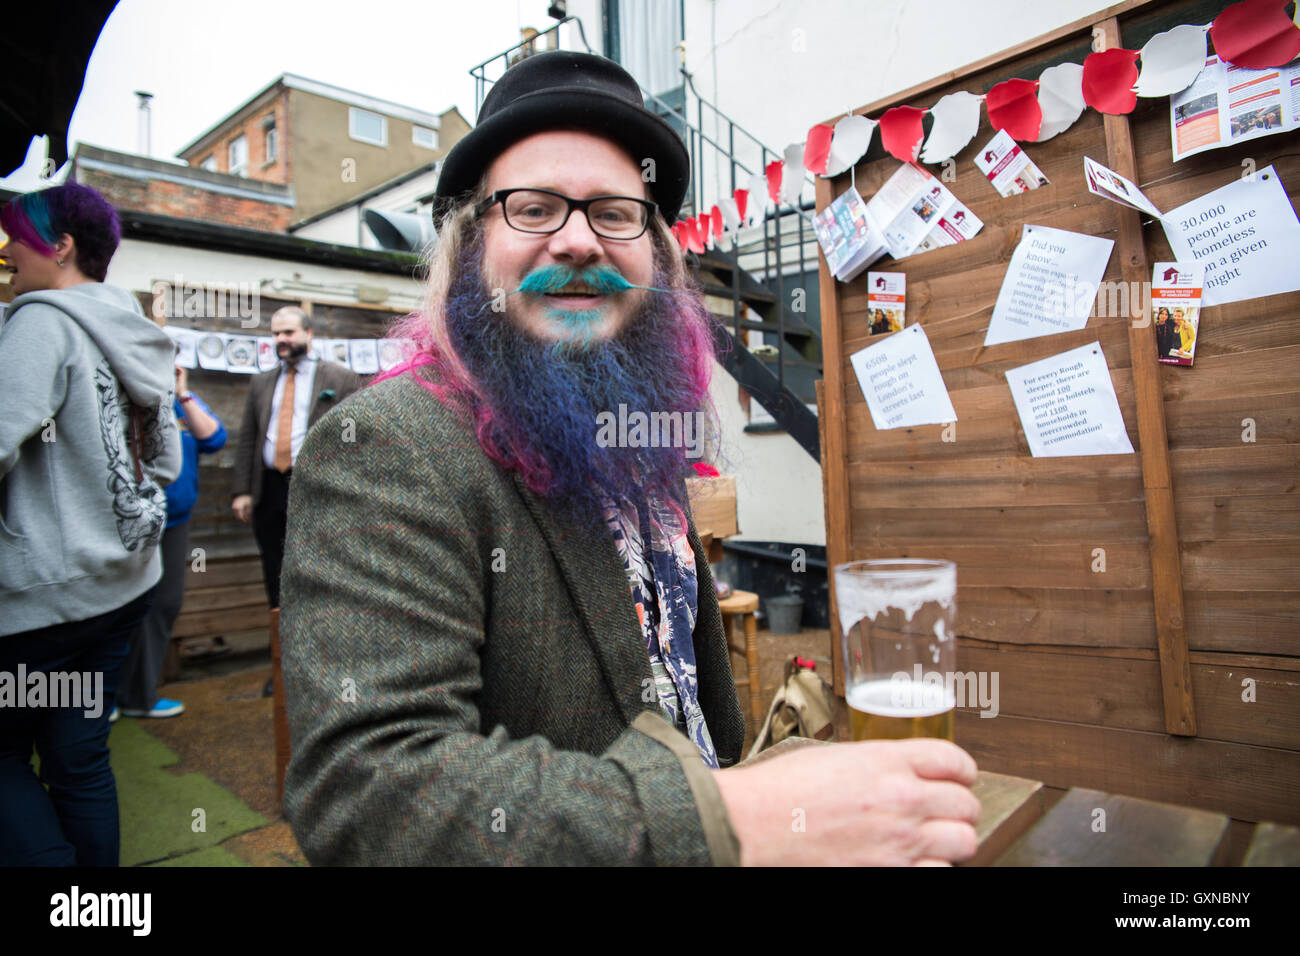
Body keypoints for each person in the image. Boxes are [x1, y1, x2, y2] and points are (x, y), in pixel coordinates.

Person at [280, 51, 980, 866]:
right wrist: (728, 819)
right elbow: (369, 793)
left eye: (616, 213)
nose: (578, 240)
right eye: (534, 208)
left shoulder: (632, 436)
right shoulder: (391, 447)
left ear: (658, 257)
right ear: (471, 244)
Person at [0, 181, 181, 865]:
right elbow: (163, 464)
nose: (7, 249)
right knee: (79, 759)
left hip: (43, 600)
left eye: (15, 233)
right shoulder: (141, 332)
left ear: (62, 244)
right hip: (123, 587)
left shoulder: (41, 322)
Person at [230, 306, 360, 611]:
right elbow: (248, 436)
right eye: (276, 333)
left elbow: (354, 439)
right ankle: (281, 642)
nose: (281, 339)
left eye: (288, 332)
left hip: (317, 487)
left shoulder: (341, 378)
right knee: (274, 566)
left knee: (319, 563)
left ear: (309, 333)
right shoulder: (261, 382)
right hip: (269, 486)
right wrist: (242, 491)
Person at [117, 362, 226, 719]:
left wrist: (183, 392)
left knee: (164, 604)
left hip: (176, 522)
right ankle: (98, 701)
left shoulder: (182, 404)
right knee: (116, 608)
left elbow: (214, 438)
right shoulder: (129, 399)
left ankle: (139, 697)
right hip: (128, 523)